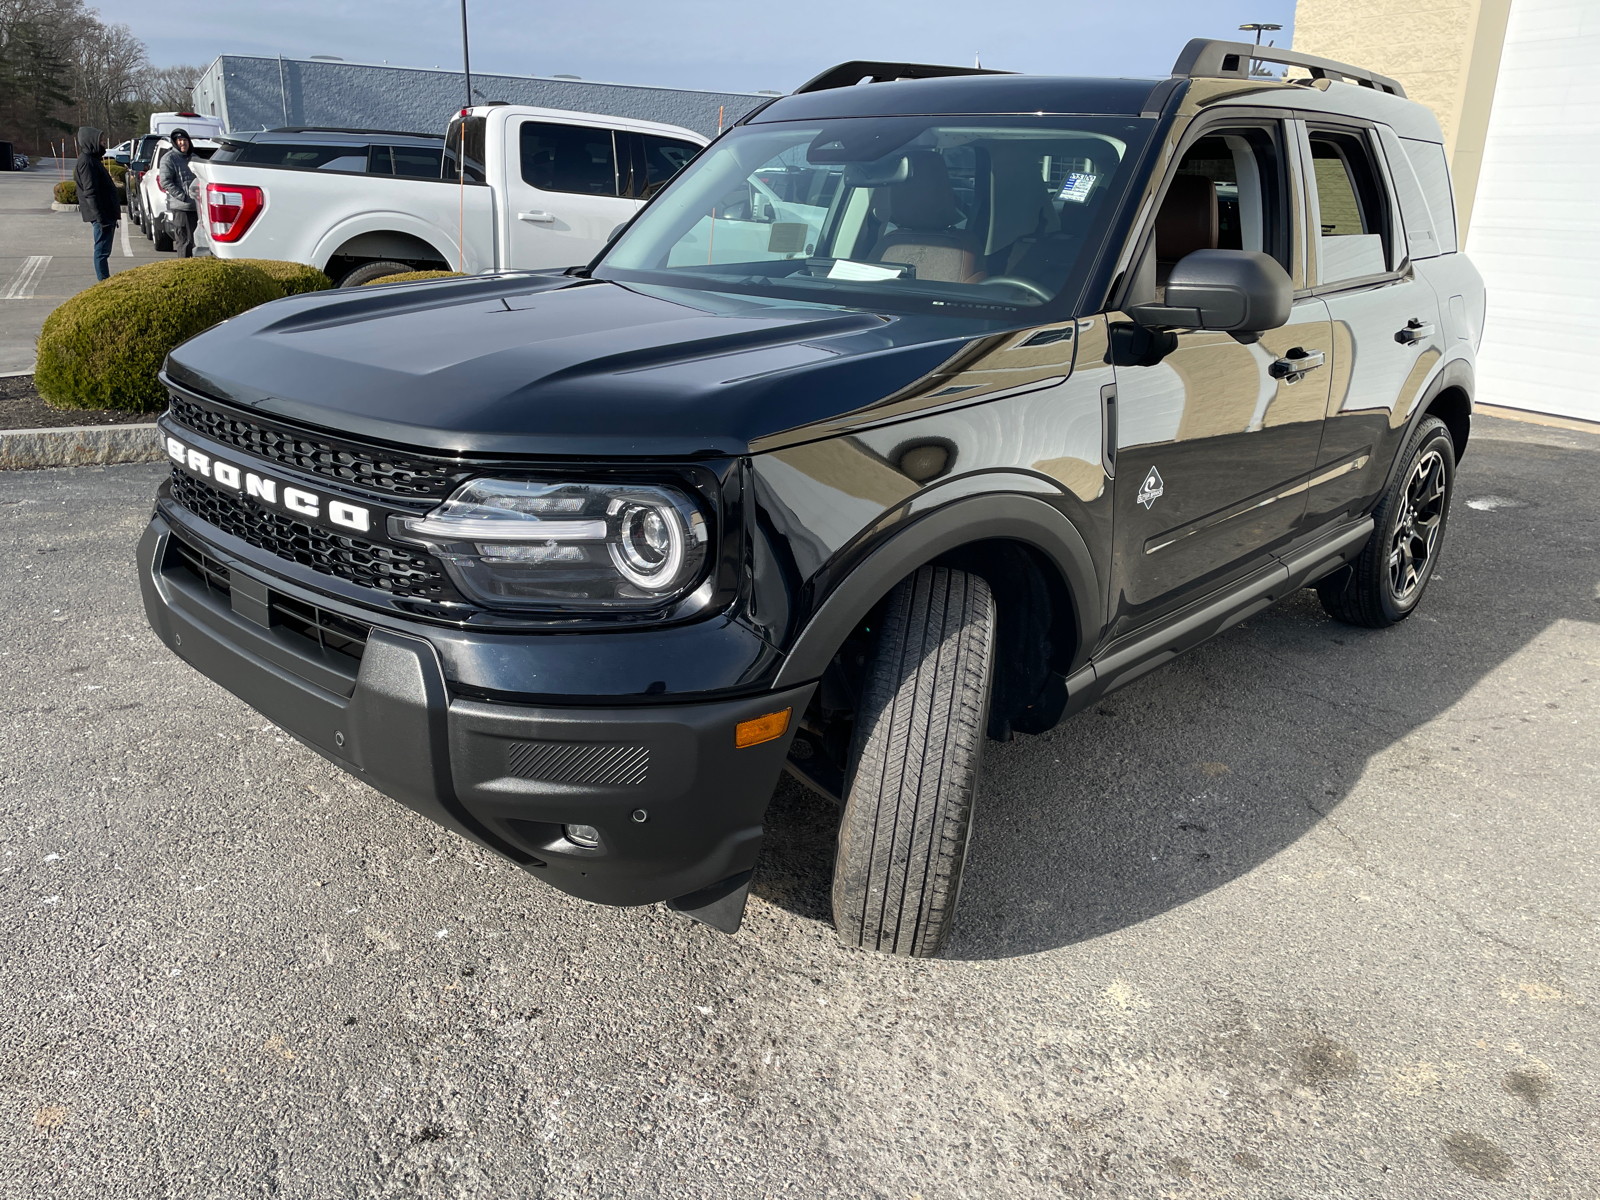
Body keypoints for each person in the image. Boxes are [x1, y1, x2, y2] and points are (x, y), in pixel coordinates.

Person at [74, 127, 120, 282]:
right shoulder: (86, 162)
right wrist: (101, 218)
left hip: (106, 214)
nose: (103, 143)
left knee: (104, 251)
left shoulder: (93, 160)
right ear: (91, 141)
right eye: (100, 140)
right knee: (101, 251)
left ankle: (104, 280)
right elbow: (90, 192)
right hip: (101, 216)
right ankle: (103, 281)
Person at [158, 128, 200, 258]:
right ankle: (184, 268)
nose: (182, 143)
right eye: (179, 140)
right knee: (185, 242)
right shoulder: (168, 158)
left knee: (198, 243)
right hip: (182, 208)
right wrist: (183, 197)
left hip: (198, 207)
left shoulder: (195, 158)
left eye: (185, 140)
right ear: (175, 142)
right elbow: (165, 182)